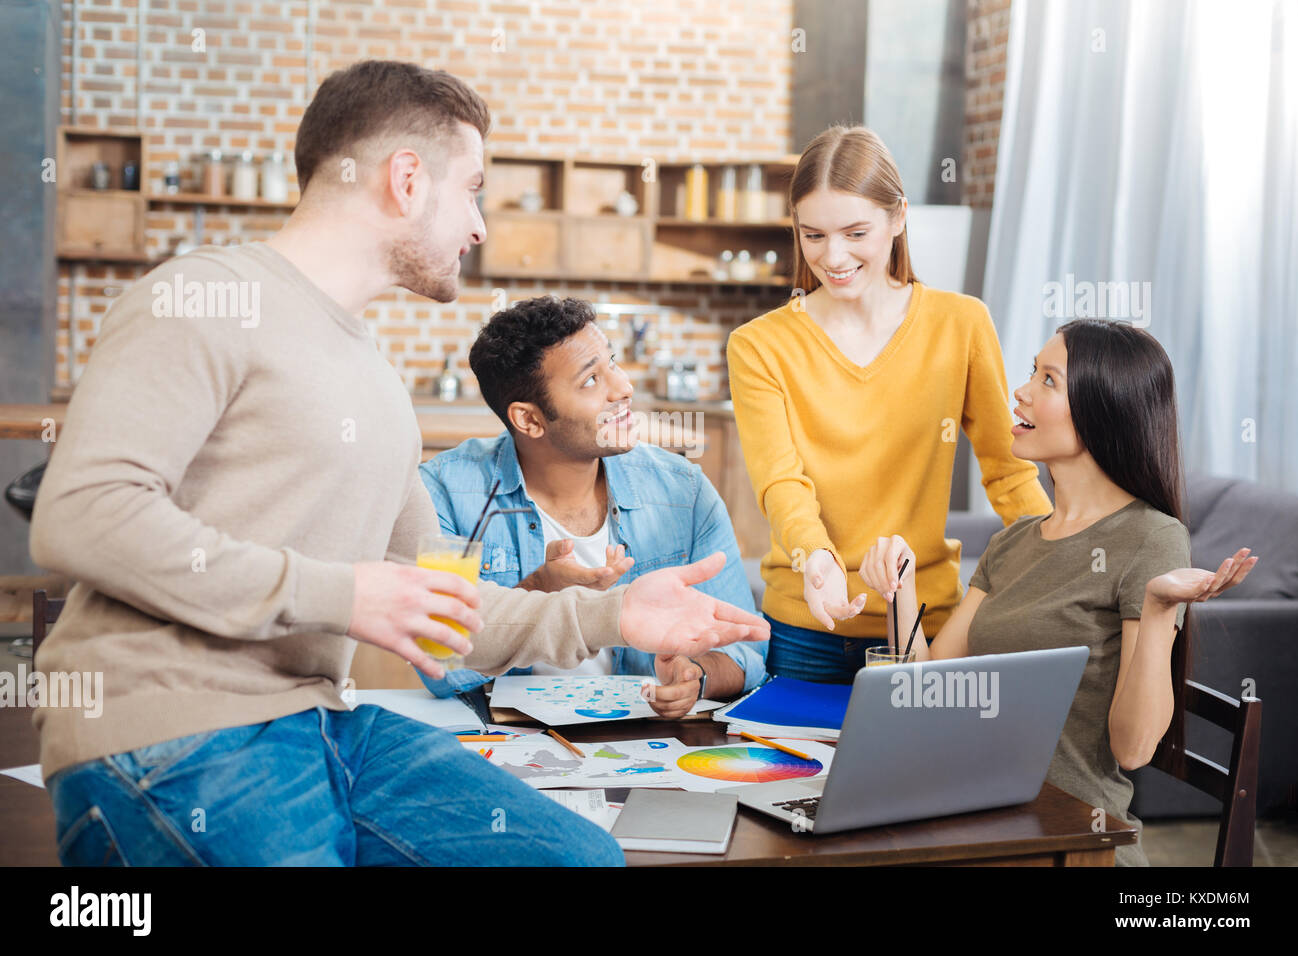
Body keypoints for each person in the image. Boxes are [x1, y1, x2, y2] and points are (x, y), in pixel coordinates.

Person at [28, 60, 766, 867]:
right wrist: (341, 594)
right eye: (473, 188)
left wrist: (614, 616)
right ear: (407, 179)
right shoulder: (207, 297)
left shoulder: (376, 381)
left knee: (580, 860)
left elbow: (447, 612)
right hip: (173, 729)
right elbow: (83, 514)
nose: (480, 225)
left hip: (322, 725)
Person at [857, 320, 1257, 866]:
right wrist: (899, 589)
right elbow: (925, 692)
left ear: (1103, 409)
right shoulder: (1014, 540)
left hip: (1067, 839)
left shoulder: (1153, 537)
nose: (1019, 391)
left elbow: (1134, 749)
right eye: (1032, 372)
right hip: (971, 815)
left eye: (1048, 380)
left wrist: (1161, 611)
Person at [726, 125, 1052, 683]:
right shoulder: (760, 345)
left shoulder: (961, 324)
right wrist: (817, 559)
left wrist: (1070, 561)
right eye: (814, 235)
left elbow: (1008, 470)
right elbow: (781, 482)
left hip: (927, 626)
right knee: (800, 774)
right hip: (808, 626)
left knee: (925, 772)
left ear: (898, 217)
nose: (834, 256)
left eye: (856, 232)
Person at [418, 295, 767, 718]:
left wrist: (696, 674)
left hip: (644, 742)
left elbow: (747, 651)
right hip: (508, 738)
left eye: (613, 363)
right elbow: (439, 665)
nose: (623, 388)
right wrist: (539, 589)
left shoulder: (683, 491)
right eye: (590, 381)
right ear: (529, 419)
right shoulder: (447, 491)